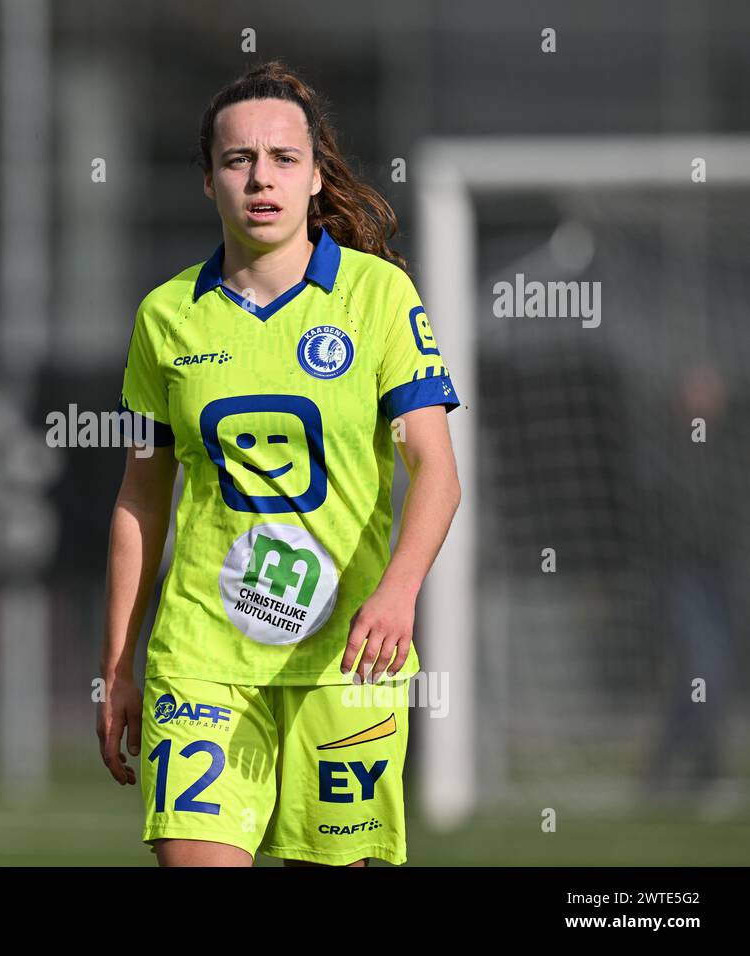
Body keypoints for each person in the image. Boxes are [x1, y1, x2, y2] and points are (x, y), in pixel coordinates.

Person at [96, 61, 462, 867]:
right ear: (208, 181)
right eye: (237, 160)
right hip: (202, 656)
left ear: (315, 175)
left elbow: (436, 471)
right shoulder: (165, 317)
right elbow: (140, 498)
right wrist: (117, 664)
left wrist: (398, 594)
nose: (261, 177)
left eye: (283, 159)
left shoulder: (379, 297)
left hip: (347, 657)